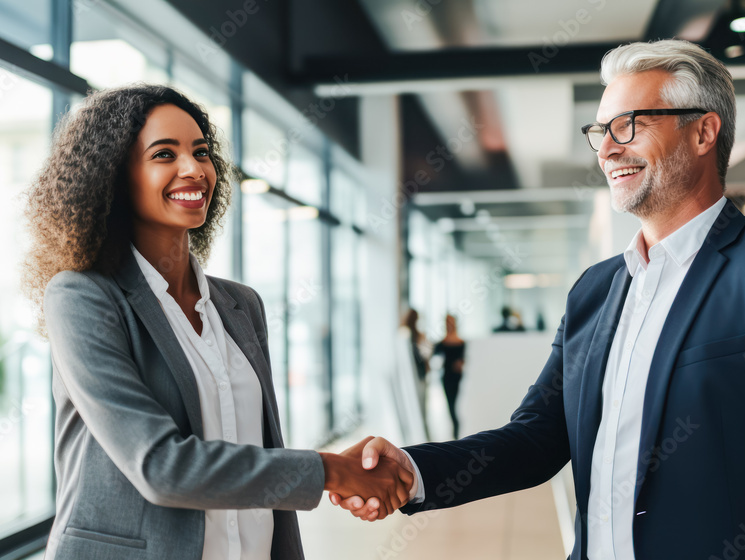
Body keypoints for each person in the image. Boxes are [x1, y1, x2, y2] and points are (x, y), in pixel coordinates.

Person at [331, 40, 745, 559]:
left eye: (629, 124)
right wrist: (412, 470)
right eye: (600, 131)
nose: (606, 148)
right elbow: (538, 435)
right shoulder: (596, 289)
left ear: (703, 131)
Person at [23, 84, 411, 560]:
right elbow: (160, 465)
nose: (194, 169)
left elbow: (258, 445)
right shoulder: (82, 297)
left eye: (201, 152)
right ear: (114, 177)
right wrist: (330, 470)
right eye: (164, 154)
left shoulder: (241, 305)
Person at [432, 314, 466, 439]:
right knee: (450, 405)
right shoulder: (441, 343)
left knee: (453, 405)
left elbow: (462, 360)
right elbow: (434, 358)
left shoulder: (460, 342)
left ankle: (456, 432)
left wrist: (460, 364)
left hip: (456, 377)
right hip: (446, 376)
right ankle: (455, 432)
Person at [401, 308, 432, 439]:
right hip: (420, 377)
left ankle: (418, 435)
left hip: (412, 379)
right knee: (421, 408)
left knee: (415, 407)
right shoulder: (415, 337)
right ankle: (423, 435)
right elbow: (426, 355)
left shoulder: (404, 335)